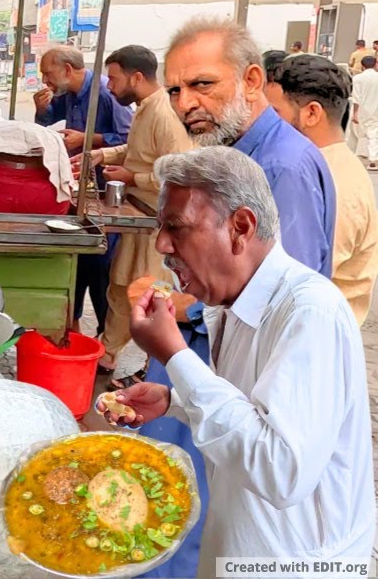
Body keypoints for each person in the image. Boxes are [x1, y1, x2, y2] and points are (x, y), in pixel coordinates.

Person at [100, 146, 374, 576]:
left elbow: (282, 471)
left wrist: (175, 354)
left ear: (240, 227)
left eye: (177, 228)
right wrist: (175, 401)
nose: (161, 244)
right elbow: (250, 418)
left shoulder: (310, 311)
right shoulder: (232, 303)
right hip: (243, 550)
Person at [164, 16, 335, 276]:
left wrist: (187, 309)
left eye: (202, 84)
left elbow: (284, 291)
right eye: (174, 91)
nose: (185, 104)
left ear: (252, 81)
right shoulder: (235, 153)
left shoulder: (280, 167)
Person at [74, 45, 191, 387]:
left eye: (113, 78)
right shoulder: (144, 109)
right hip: (139, 216)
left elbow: (180, 171)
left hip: (161, 222)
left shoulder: (165, 112)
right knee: (122, 286)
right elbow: (135, 149)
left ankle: (154, 371)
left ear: (136, 77)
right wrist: (99, 154)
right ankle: (107, 353)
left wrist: (132, 178)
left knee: (154, 295)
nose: (109, 86)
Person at [265, 54, 378, 326]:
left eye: (275, 113)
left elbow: (293, 286)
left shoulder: (333, 183)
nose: (266, 125)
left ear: (312, 113)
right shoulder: (322, 168)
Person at [36, 45, 133, 339]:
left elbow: (128, 139)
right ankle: (72, 328)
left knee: (101, 266)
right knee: (78, 261)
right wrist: (42, 109)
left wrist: (89, 139)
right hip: (82, 188)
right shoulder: (68, 94)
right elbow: (49, 118)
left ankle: (107, 338)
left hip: (106, 190)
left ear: (67, 70)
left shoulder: (106, 93)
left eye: (48, 74)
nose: (45, 81)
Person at [352, 55, 378, 169]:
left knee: (357, 133)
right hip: (376, 108)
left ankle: (355, 154)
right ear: (375, 64)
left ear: (362, 65)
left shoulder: (357, 78)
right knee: (373, 133)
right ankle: (373, 157)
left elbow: (356, 97)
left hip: (362, 109)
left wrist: (355, 113)